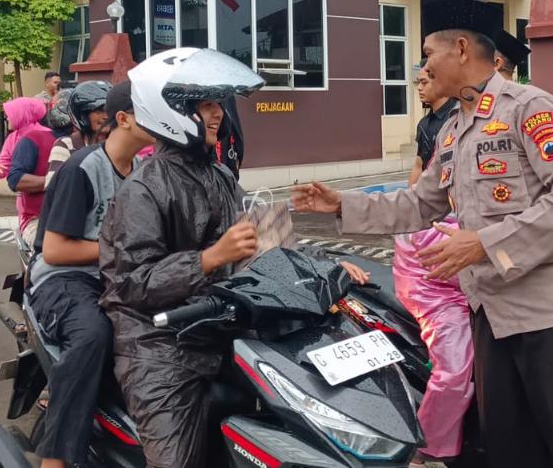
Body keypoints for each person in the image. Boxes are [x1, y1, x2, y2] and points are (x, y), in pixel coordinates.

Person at [294, 0, 553, 467]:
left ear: (462, 48)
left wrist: (487, 243)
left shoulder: (527, 106)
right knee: (511, 452)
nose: (423, 65)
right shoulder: (453, 132)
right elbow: (418, 204)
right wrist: (341, 204)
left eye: (429, 53)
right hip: (491, 316)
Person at [102, 48, 368, 467]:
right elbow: (131, 283)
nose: (218, 115)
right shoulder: (142, 190)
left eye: (218, 105)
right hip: (159, 346)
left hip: (227, 329)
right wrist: (207, 259)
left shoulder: (220, 175)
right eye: (205, 105)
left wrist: (325, 265)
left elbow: (267, 241)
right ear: (171, 110)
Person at [27, 81, 152, 468]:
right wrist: (117, 250)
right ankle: (57, 459)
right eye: (150, 113)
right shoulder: (82, 168)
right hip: (64, 281)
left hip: (116, 278)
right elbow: (54, 250)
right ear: (124, 119)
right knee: (94, 334)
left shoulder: (145, 172)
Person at [395, 64, 472, 465]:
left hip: (474, 282)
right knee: (455, 370)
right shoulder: (439, 132)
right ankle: (423, 450)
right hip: (437, 291)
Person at [0, 97, 57, 244]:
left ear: (21, 114)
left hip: (51, 208)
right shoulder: (12, 138)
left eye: (10, 112)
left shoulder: (49, 136)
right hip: (30, 211)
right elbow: (4, 170)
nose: (6, 116)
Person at [45, 81, 111, 188]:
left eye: (109, 110)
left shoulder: (117, 145)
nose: (106, 116)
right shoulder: (66, 145)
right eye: (99, 111)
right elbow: (53, 187)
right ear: (83, 115)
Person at [409, 68, 456, 186]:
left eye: (424, 82)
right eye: (418, 82)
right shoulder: (423, 124)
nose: (419, 87)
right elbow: (419, 165)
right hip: (430, 195)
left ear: (441, 83)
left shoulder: (458, 116)